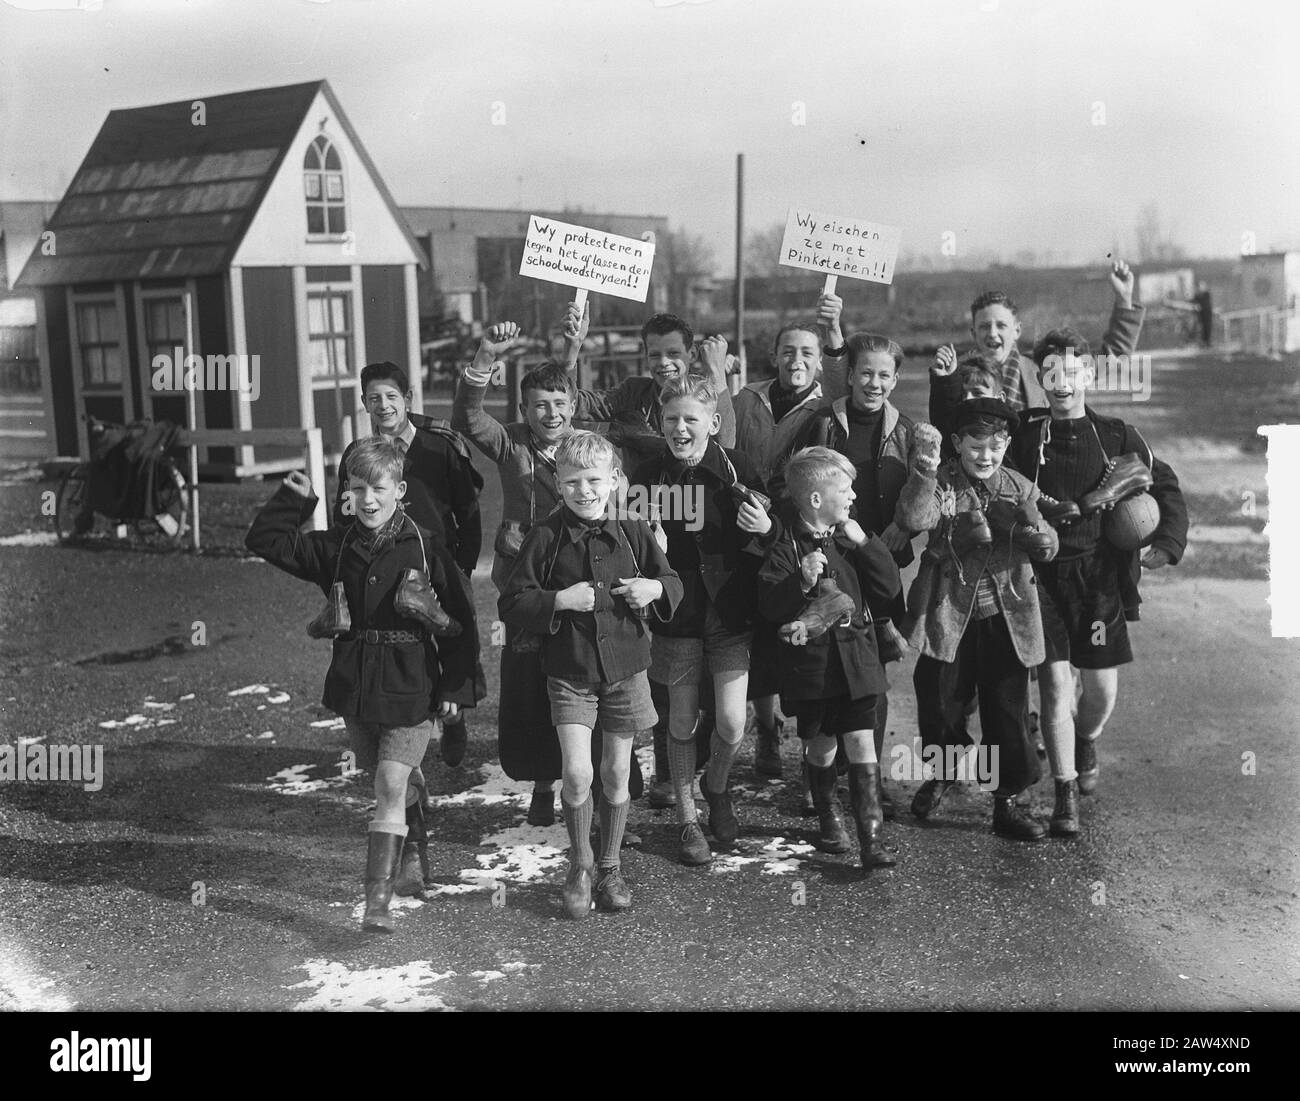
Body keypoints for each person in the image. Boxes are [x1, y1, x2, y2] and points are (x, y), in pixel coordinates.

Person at [246, 437, 478, 931]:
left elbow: (462, 621)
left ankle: (377, 903)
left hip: (413, 685)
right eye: (357, 489)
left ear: (399, 490)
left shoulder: (424, 546)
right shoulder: (336, 547)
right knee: (386, 778)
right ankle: (414, 841)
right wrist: (294, 498)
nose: (368, 500)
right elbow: (264, 542)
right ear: (347, 492)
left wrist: (457, 690)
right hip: (357, 688)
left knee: (389, 783)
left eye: (378, 487)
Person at [1010, 268, 1187, 831]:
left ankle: (1086, 741)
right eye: (1049, 372)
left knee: (1101, 693)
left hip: (1100, 580)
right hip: (1043, 578)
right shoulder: (1024, 435)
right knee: (1057, 684)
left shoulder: (1116, 435)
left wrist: (1166, 542)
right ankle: (1063, 794)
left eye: (1070, 370)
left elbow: (1165, 487)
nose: (1060, 381)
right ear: (1040, 378)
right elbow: (993, 485)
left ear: (1087, 373)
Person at [499, 431, 682, 918]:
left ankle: (610, 865)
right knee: (578, 774)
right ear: (558, 484)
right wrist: (558, 600)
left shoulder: (633, 529)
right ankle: (579, 865)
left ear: (615, 481)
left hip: (626, 670)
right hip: (570, 671)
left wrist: (653, 589)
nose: (584, 490)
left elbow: (672, 580)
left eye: (594, 480)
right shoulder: (545, 534)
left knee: (617, 772)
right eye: (573, 481)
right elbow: (512, 600)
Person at [897, 401, 1058, 840]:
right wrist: (924, 472)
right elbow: (913, 518)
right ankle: (944, 772)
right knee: (938, 700)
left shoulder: (1018, 485)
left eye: (995, 447)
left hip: (1007, 618)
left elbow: (1049, 541)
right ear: (956, 445)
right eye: (975, 447)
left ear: (1006, 444)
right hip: (949, 614)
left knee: (1006, 711)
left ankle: (1006, 800)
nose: (985, 456)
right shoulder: (943, 482)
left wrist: (1037, 536)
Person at [628, 377, 772, 865]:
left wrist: (767, 531)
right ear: (658, 422)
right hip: (677, 617)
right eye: (671, 419)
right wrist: (648, 549)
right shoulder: (646, 478)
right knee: (683, 722)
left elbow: (774, 545)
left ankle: (717, 786)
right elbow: (626, 545)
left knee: (732, 723)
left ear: (713, 423)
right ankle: (688, 820)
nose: (680, 428)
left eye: (691, 419)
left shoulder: (740, 470)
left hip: (730, 614)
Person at [789, 330, 916, 817]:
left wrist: (895, 536)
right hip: (823, 560)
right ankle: (816, 774)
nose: (874, 382)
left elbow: (919, 489)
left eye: (885, 375)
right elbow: (793, 479)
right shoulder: (822, 422)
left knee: (871, 676)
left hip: (875, 561)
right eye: (866, 372)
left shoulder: (904, 430)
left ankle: (867, 777)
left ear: (896, 379)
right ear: (850, 373)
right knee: (820, 674)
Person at [333, 361, 483, 771]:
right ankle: (404, 760)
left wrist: (462, 567)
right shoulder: (358, 455)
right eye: (374, 398)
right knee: (401, 655)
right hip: (384, 567)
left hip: (439, 564)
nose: (383, 406)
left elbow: (468, 511)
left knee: (453, 637)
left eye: (391, 397)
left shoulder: (439, 447)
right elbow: (344, 513)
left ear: (408, 399)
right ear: (364, 403)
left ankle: (454, 716)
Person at [757, 446, 902, 869]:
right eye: (846, 488)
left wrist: (867, 544)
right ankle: (827, 812)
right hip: (813, 671)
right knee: (821, 747)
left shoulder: (851, 537)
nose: (854, 496)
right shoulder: (785, 546)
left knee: (861, 742)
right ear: (816, 499)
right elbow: (769, 606)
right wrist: (800, 580)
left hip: (857, 663)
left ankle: (871, 838)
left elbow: (889, 587)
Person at [452, 325, 574, 825]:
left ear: (572, 406)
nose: (551, 414)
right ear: (525, 410)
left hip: (577, 579)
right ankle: (543, 781)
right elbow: (467, 417)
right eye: (540, 405)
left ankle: (584, 785)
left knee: (581, 678)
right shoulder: (511, 445)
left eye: (559, 403)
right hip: (523, 583)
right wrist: (484, 356)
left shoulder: (587, 446)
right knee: (532, 681)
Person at [732, 318, 829, 779]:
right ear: (774, 355)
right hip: (747, 534)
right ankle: (767, 730)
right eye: (788, 351)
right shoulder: (747, 399)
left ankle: (816, 754)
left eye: (807, 353)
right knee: (757, 642)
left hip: (797, 538)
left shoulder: (826, 411)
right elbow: (725, 452)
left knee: (802, 639)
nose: (797, 361)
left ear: (819, 360)